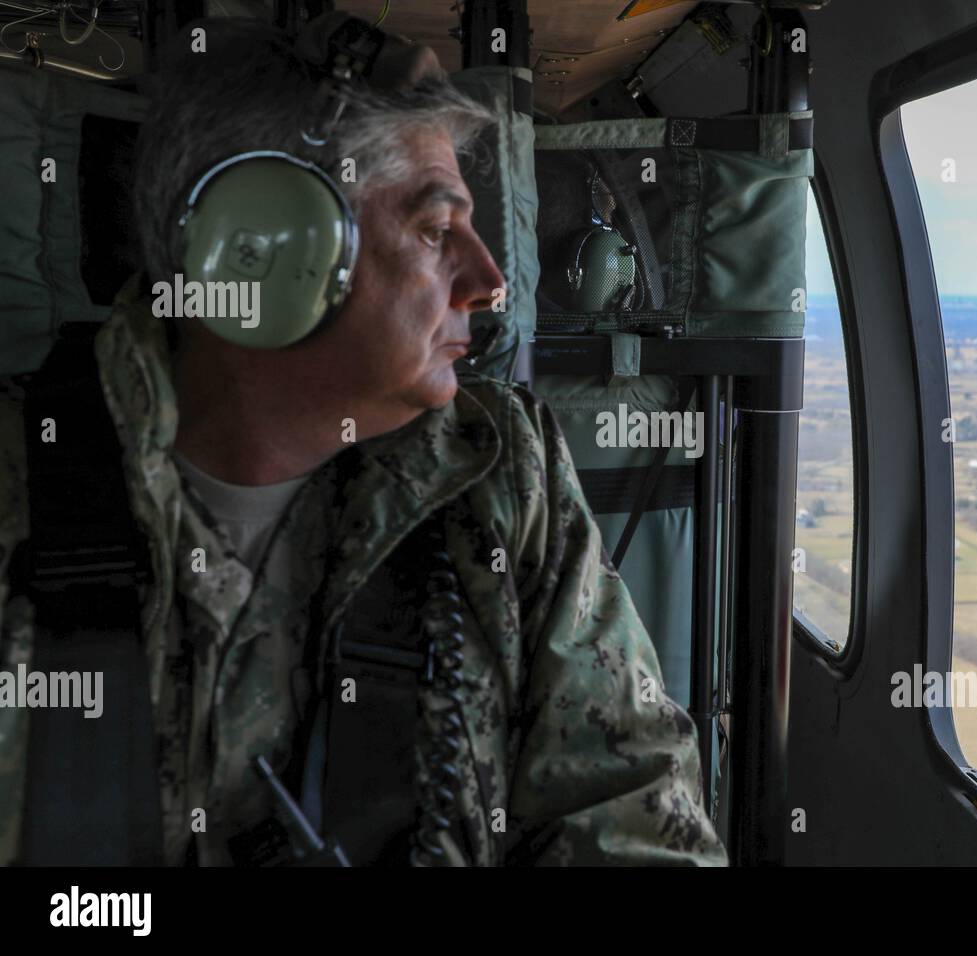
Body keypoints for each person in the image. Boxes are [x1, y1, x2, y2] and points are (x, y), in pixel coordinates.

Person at [0, 13, 725, 866]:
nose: (489, 285)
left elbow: (640, 820)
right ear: (260, 251)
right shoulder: (23, 484)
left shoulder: (505, 478)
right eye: (432, 230)